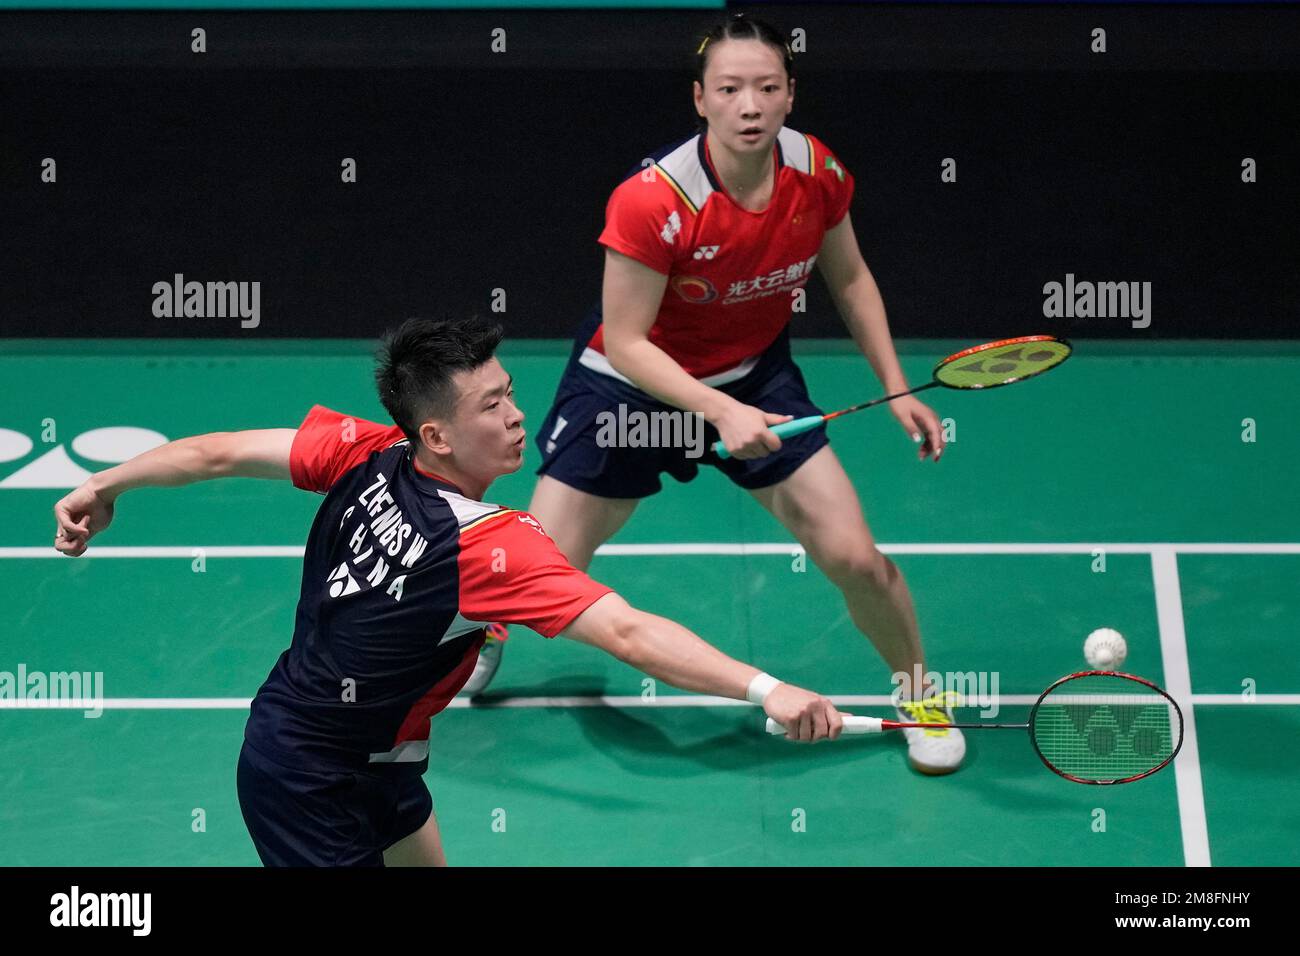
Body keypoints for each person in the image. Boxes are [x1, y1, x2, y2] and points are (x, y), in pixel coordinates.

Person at [51, 316, 847, 867]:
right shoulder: (487, 546)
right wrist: (768, 690)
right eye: (491, 406)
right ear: (435, 435)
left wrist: (107, 484)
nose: (516, 416)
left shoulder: (370, 451)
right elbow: (629, 635)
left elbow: (217, 454)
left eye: (509, 393)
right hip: (305, 778)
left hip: (381, 760)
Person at [467, 13, 965, 776]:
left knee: (855, 558)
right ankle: (488, 628)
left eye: (767, 87)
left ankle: (921, 694)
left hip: (754, 377)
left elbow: (852, 277)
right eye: (730, 89)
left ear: (790, 94)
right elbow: (629, 341)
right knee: (542, 570)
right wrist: (719, 412)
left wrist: (896, 389)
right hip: (627, 396)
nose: (750, 105)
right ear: (700, 99)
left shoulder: (817, 172)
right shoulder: (652, 199)